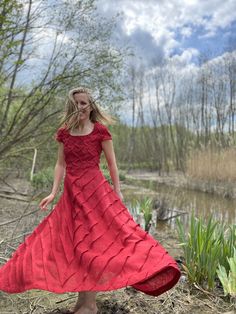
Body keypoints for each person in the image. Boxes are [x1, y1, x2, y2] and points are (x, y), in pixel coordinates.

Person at [0, 87, 181, 314]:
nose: (80, 107)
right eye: (76, 103)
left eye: (84, 103)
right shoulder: (64, 133)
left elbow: (112, 164)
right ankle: (83, 303)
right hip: (72, 194)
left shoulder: (100, 132)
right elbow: (60, 164)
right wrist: (53, 192)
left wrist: (118, 190)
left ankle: (90, 305)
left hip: (96, 193)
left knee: (95, 244)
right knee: (74, 246)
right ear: (70, 106)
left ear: (91, 105)